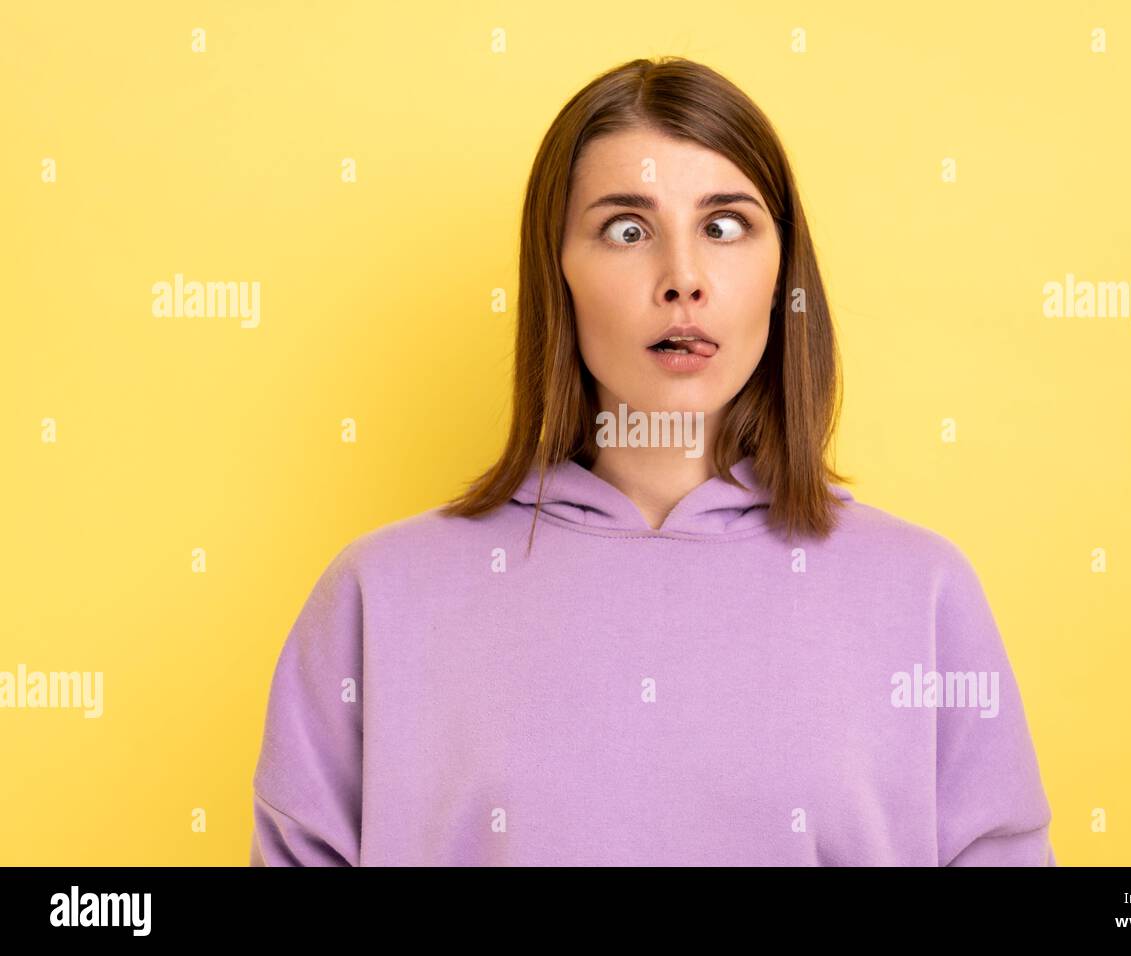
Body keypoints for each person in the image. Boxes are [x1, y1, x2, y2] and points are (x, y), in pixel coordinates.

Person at [250, 56, 1055, 866]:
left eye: (725, 225)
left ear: (783, 275)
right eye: (627, 230)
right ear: (556, 271)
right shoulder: (379, 597)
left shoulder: (922, 594)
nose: (683, 280)